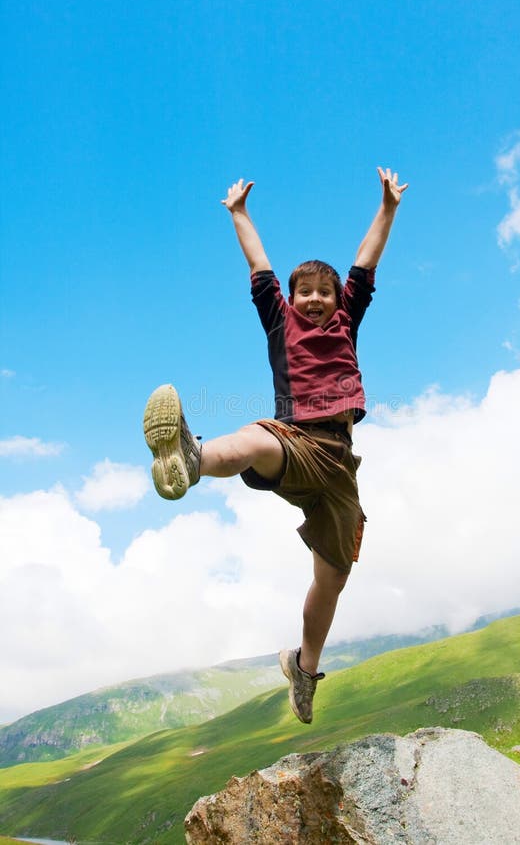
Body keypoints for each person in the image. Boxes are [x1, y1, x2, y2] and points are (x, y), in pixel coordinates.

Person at [143, 167, 408, 723]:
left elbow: (365, 264)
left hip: (340, 466)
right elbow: (259, 266)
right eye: (304, 292)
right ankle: (190, 459)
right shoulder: (279, 322)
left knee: (333, 578)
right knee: (253, 441)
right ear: (289, 298)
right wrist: (239, 213)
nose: (314, 299)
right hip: (298, 439)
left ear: (339, 300)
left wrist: (388, 208)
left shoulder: (347, 319)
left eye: (324, 293)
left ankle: (304, 670)